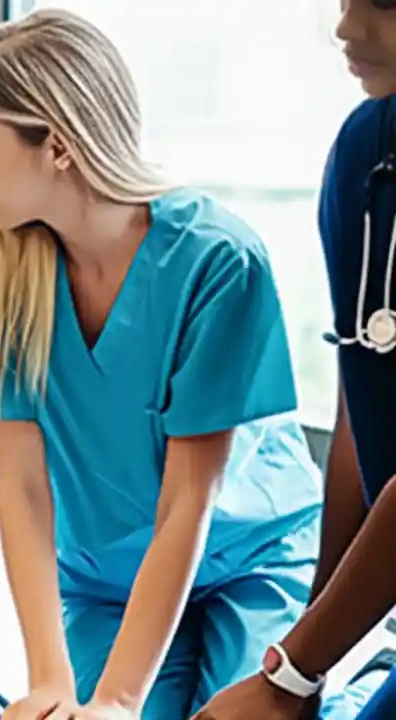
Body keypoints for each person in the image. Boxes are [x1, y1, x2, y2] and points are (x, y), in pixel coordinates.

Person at [0, 9, 323, 720]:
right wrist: (51, 682)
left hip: (251, 557)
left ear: (57, 144)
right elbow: (21, 486)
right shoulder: (2, 286)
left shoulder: (217, 261)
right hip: (106, 583)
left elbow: (189, 500)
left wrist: (118, 698)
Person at [193, 1, 396, 717]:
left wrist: (293, 674)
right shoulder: (365, 153)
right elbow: (363, 412)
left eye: (386, 3)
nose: (346, 28)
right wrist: (304, 667)